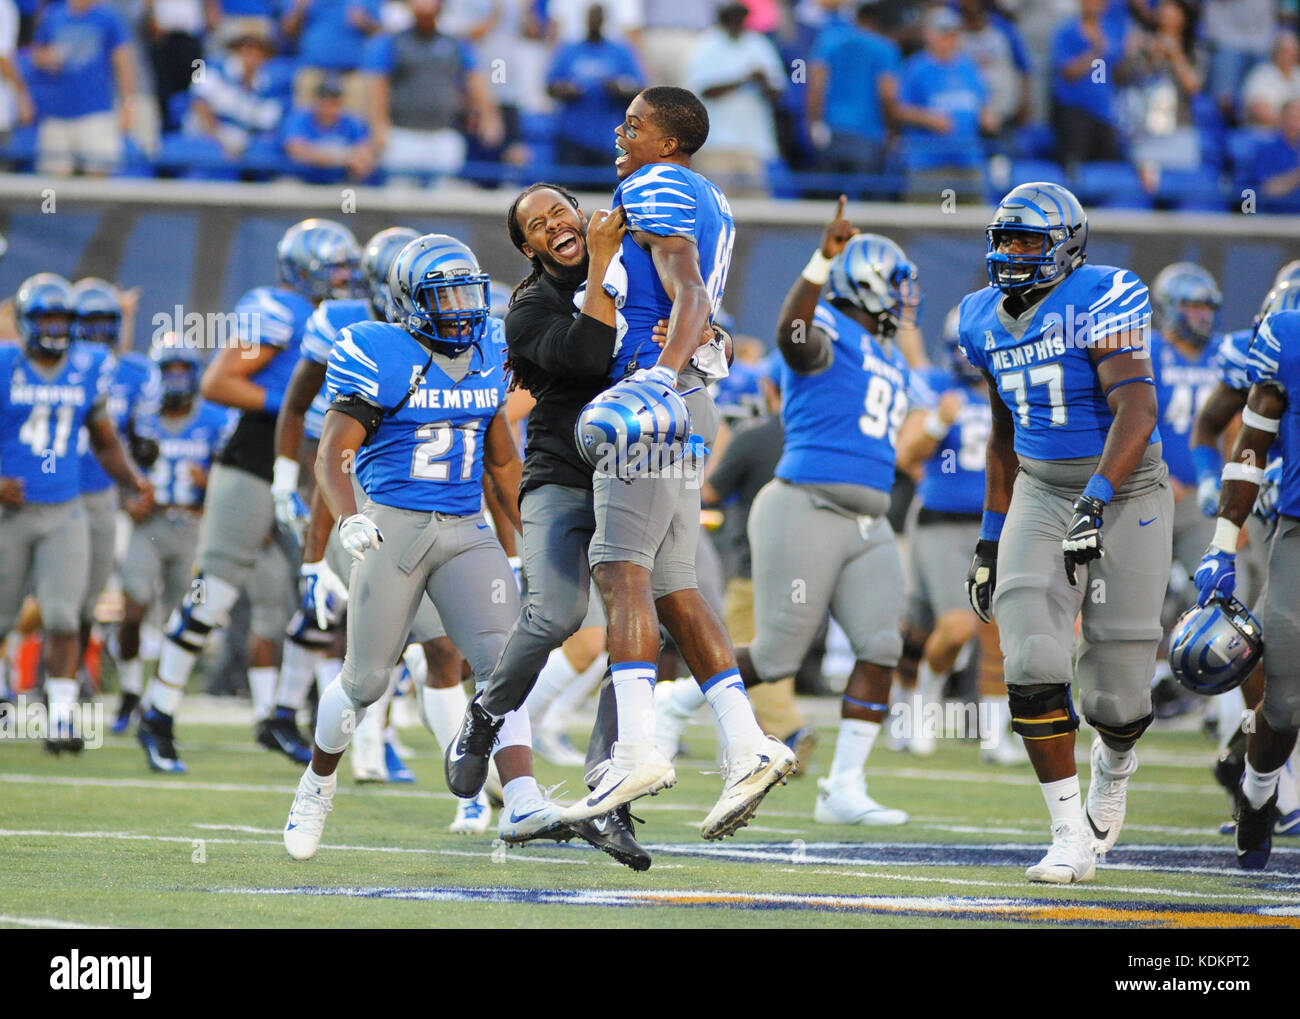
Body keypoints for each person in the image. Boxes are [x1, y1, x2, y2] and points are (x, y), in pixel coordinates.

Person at [447, 87, 796, 841]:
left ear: (668, 143)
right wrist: (686, 352)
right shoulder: (538, 298)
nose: (620, 132)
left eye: (635, 125)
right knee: (655, 591)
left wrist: (669, 369)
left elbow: (690, 291)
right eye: (535, 225)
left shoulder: (653, 185)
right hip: (579, 456)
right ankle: (746, 743)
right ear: (531, 248)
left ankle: (632, 752)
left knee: (625, 574)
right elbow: (599, 344)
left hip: (649, 408)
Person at [282, 234, 563, 859]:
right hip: (393, 524)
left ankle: (521, 800)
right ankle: (317, 784)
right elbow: (333, 451)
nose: (463, 307)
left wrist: (526, 537)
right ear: (410, 301)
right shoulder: (377, 350)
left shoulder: (491, 345)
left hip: (465, 528)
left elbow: (502, 460)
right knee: (366, 681)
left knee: (503, 665)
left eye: (469, 291)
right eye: (446, 295)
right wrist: (348, 515)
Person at [960, 181, 1171, 884]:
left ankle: (1115, 761)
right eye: (1005, 239)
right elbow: (999, 436)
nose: (1012, 252)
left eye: (1028, 240)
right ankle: (1067, 833)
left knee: (1118, 694)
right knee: (1030, 655)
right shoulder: (981, 318)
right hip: (1041, 489)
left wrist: (1099, 497)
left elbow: (1138, 411)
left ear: (1067, 247)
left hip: (1127, 488)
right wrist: (991, 539)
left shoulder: (1103, 296)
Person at [139, 219, 356, 773]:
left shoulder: (344, 314)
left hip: (315, 470)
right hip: (255, 463)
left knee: (323, 597)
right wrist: (297, 405)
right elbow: (219, 382)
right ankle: (157, 714)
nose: (344, 276)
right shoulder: (282, 308)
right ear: (304, 267)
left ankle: (280, 713)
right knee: (213, 596)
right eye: (334, 267)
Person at [735, 210, 923, 826]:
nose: (904, 294)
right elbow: (792, 333)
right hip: (806, 503)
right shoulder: (832, 328)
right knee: (777, 656)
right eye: (895, 281)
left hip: (868, 520)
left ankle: (843, 787)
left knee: (881, 645)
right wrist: (821, 261)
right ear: (867, 282)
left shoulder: (889, 353)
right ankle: (672, 702)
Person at [0, 273, 153, 751]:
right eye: (46, 318)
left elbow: (104, 438)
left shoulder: (87, 366)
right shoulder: (5, 364)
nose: (56, 328)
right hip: (11, 512)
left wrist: (134, 481)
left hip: (65, 509)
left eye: (63, 319)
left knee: (66, 616)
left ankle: (61, 719)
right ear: (25, 322)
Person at [1193, 299, 1300, 870]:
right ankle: (1258, 794)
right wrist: (1221, 542)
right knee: (1283, 703)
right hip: (1297, 529)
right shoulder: (1288, 333)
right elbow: (1251, 445)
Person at [894, 304, 1019, 764]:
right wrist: (937, 423)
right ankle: (920, 713)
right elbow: (906, 456)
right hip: (941, 521)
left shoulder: (1010, 389)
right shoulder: (934, 387)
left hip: (997, 521)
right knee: (954, 626)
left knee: (1000, 633)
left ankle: (993, 736)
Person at [114, 337, 235, 734]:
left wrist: (211, 483)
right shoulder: (139, 417)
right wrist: (126, 498)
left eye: (183, 369)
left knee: (180, 617)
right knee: (132, 607)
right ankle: (131, 690)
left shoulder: (215, 418)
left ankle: (159, 704)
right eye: (169, 370)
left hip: (193, 526)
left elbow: (235, 475)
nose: (176, 378)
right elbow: (108, 459)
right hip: (148, 525)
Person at [71, 277, 161, 686]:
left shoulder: (136, 372)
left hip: (105, 493)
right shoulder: (54, 369)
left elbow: (145, 446)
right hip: (49, 491)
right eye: (91, 321)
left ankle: (69, 678)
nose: (99, 331)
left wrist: (134, 485)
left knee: (88, 596)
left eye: (109, 320)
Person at [28, 0, 137, 175]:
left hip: (96, 112)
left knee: (98, 178)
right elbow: (35, 55)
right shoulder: (53, 15)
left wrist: (128, 105)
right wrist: (48, 57)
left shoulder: (108, 18)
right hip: (56, 113)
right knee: (53, 183)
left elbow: (123, 64)